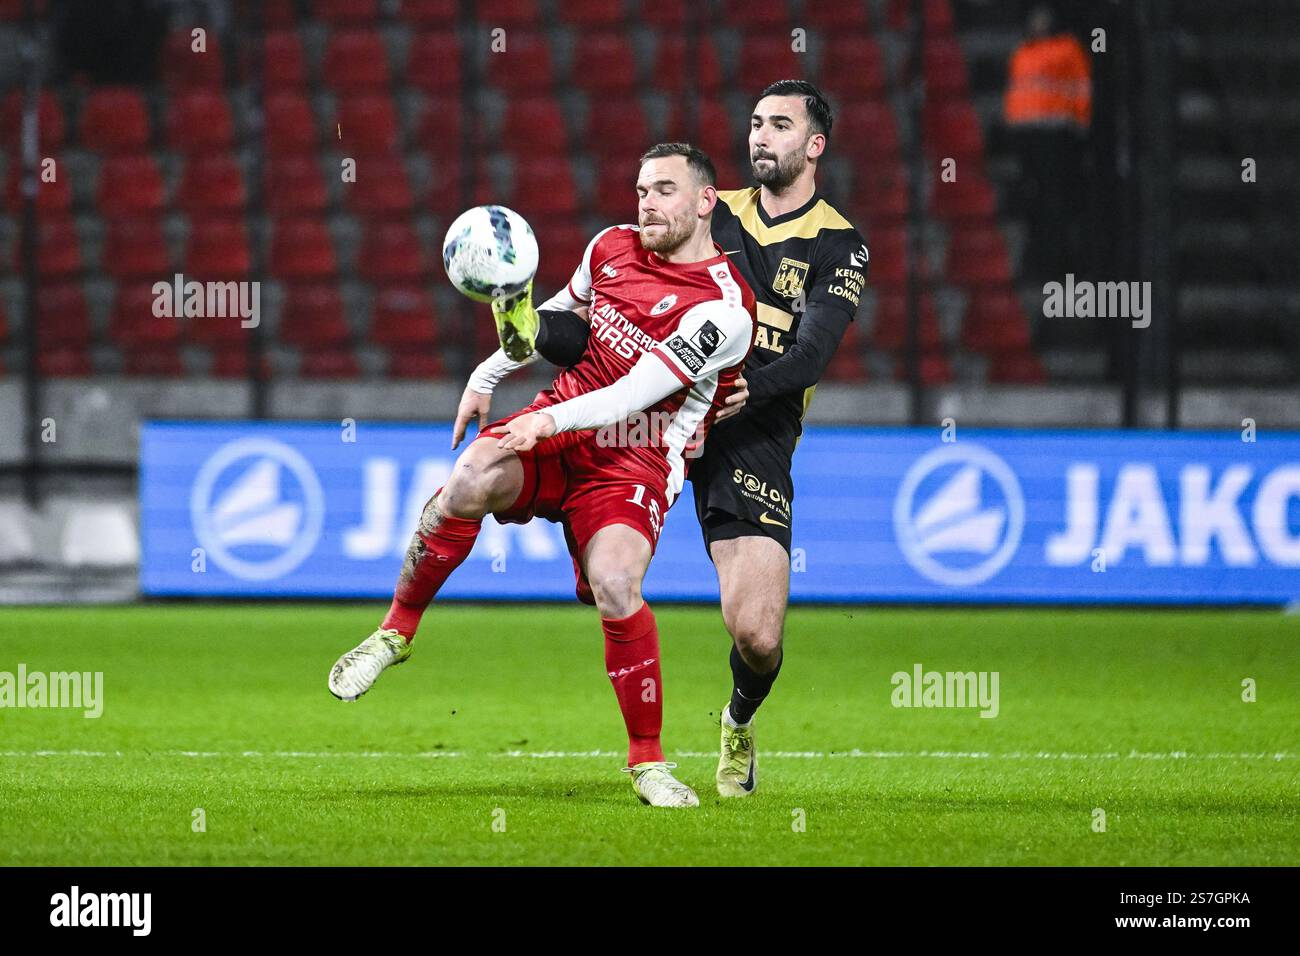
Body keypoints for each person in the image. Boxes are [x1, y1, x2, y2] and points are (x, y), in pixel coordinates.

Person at [327, 143, 757, 809]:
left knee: (616, 583)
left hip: (636, 452)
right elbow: (550, 324)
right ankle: (395, 632)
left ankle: (648, 763)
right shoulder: (611, 246)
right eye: (642, 188)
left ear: (706, 202)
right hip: (560, 419)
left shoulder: (725, 309)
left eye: (666, 190)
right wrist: (486, 375)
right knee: (468, 477)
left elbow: (637, 392)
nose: (648, 202)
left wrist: (544, 425)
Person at [480, 80, 868, 798]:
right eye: (755, 123)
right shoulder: (706, 208)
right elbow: (609, 310)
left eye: (780, 125)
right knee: (609, 574)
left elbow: (814, 352)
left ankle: (739, 720)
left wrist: (760, 385)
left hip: (752, 427)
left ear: (814, 146)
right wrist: (520, 335)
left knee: (756, 634)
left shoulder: (838, 243)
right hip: (654, 408)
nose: (760, 136)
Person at [1003, 4, 1092, 281]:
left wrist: (1079, 126)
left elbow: (1081, 88)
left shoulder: (1067, 49)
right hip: (1027, 136)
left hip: (1056, 134)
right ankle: (1039, 259)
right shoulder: (1023, 52)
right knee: (1035, 198)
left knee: (1056, 199)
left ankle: (1060, 261)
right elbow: (1017, 93)